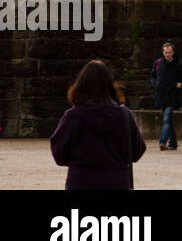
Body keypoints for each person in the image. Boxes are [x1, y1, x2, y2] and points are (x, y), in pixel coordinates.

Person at [49, 60, 147, 190]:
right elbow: (137, 150)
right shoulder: (124, 115)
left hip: (81, 181)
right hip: (116, 181)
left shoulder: (73, 116)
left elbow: (59, 153)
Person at [150, 41, 182, 151]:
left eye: (170, 52)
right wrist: (155, 84)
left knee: (166, 119)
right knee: (168, 121)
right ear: (163, 52)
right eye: (166, 52)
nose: (168, 54)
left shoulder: (179, 63)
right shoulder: (158, 63)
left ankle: (162, 142)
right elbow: (152, 75)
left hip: (172, 95)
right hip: (161, 95)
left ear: (173, 52)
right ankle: (173, 143)